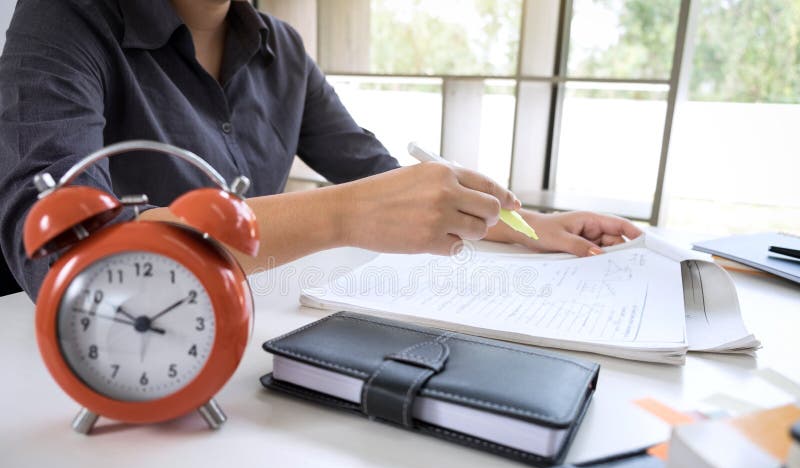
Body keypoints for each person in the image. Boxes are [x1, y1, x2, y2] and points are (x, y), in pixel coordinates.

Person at [0, 0, 641, 299]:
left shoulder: (283, 49)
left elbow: (379, 174)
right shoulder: (64, 18)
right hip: (113, 364)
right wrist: (344, 215)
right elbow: (61, 252)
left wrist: (529, 227)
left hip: (258, 336)